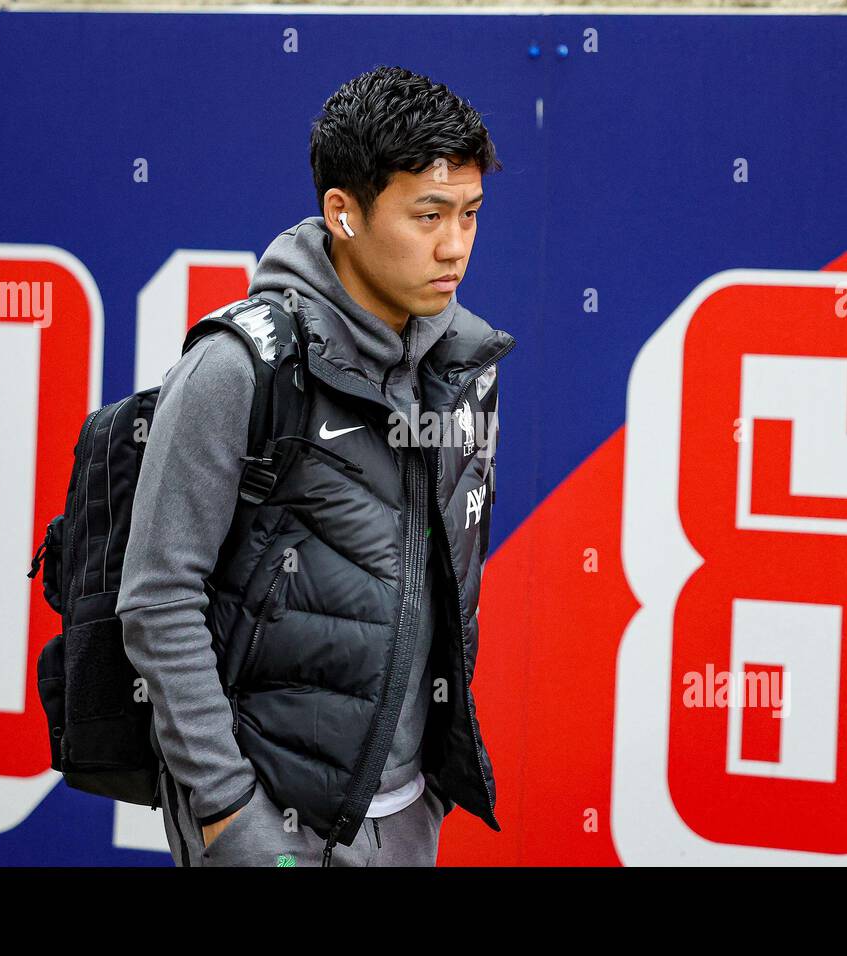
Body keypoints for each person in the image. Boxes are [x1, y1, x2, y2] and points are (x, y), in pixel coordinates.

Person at [116, 65, 513, 867]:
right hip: (270, 823)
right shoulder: (240, 368)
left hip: (409, 818)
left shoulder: (467, 364)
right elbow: (157, 598)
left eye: (470, 215)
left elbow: (442, 586)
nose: (455, 245)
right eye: (428, 214)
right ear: (344, 213)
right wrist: (229, 812)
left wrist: (428, 796)